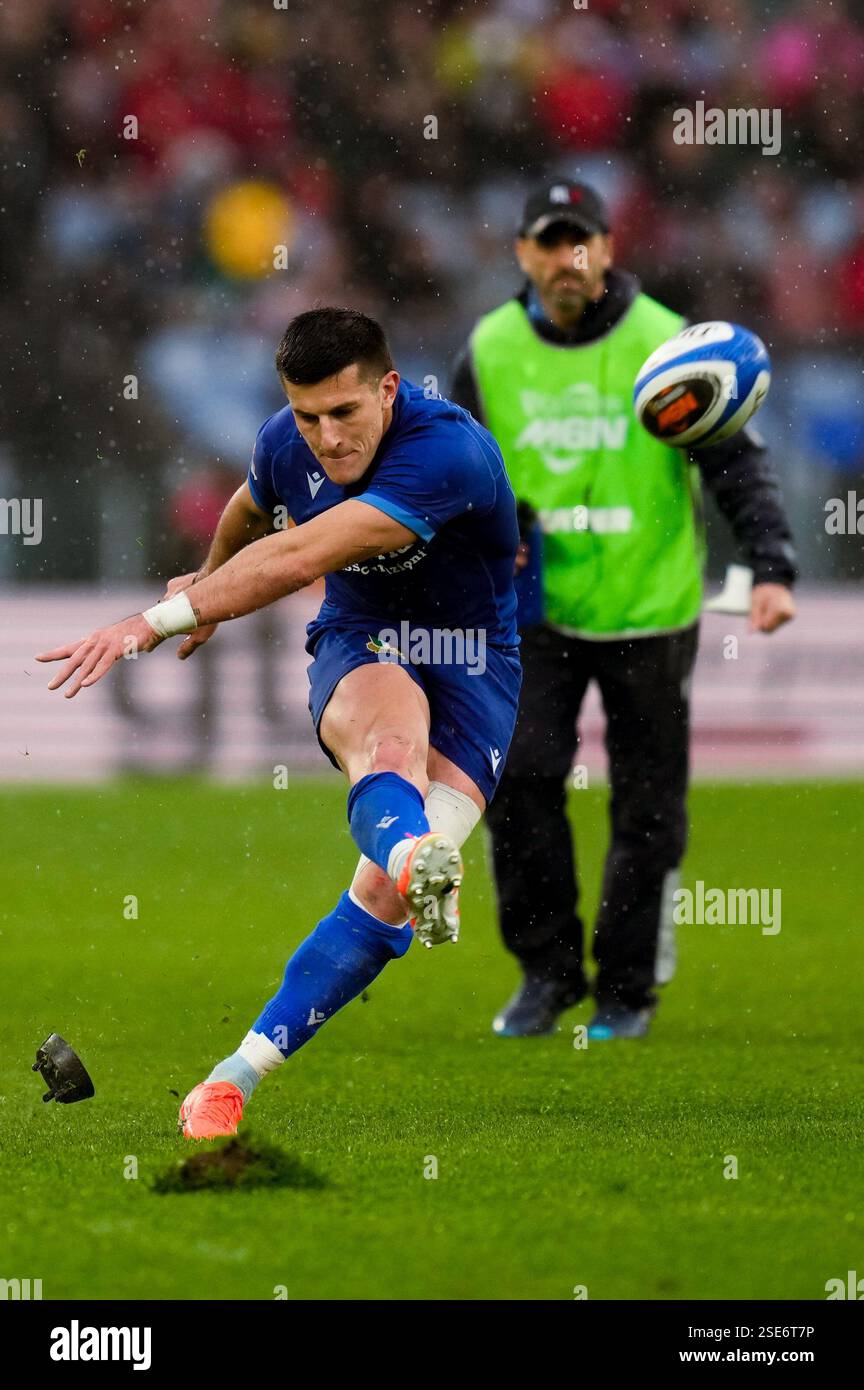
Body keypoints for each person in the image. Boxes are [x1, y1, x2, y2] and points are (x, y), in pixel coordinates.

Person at [37, 307, 522, 1137]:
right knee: (392, 745)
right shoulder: (283, 440)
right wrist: (209, 587)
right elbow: (253, 506)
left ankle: (237, 1069)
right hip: (361, 636)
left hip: (473, 659)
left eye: (345, 413)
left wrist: (147, 623)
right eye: (308, 417)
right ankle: (416, 863)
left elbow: (300, 555)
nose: (327, 439)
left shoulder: (448, 452)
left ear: (390, 390)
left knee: (379, 897)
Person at [449, 179, 797, 1041]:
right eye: (548, 243)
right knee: (520, 784)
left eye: (581, 242)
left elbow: (735, 462)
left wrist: (771, 564)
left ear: (606, 247)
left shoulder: (670, 343)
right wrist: (488, 532)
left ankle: (627, 991)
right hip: (534, 613)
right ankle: (547, 975)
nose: (566, 260)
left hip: (652, 609)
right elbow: (450, 471)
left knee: (647, 811)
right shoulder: (488, 348)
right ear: (522, 255)